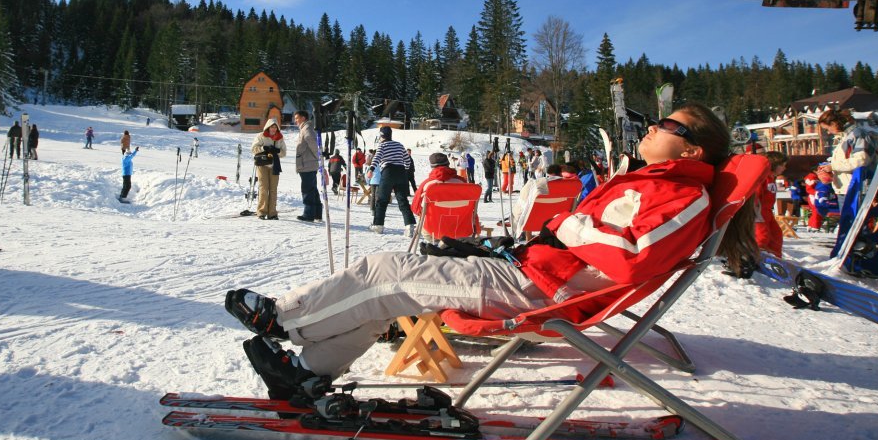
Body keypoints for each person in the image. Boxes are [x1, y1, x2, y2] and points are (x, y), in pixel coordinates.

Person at [224, 103, 755, 397]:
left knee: (387, 271)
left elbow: (635, 254)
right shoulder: (657, 181)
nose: (655, 126)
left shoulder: (684, 195)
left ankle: (283, 320)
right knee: (393, 282)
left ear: (692, 148)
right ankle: (308, 371)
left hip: (543, 290)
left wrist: (569, 228)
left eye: (669, 124)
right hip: (533, 272)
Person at [818, 108, 877, 205]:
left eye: (827, 129)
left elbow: (861, 160)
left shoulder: (856, 135)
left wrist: (833, 167)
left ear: (834, 123)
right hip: (846, 189)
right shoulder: (844, 138)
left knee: (852, 220)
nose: (828, 132)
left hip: (856, 189)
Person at [368, 126, 416, 235]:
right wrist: (405, 170)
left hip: (388, 172)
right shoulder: (399, 145)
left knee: (382, 200)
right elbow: (407, 160)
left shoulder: (382, 146)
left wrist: (371, 169)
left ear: (381, 136)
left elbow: (377, 158)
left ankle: (378, 225)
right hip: (401, 172)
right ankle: (409, 226)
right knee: (402, 200)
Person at [410, 152, 466, 239]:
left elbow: (416, 209)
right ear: (448, 164)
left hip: (432, 230)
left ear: (432, 167)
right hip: (459, 228)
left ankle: (436, 246)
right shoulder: (462, 182)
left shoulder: (427, 184)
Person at [755, 151, 788, 257]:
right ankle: (758, 255)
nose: (784, 168)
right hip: (758, 212)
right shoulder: (763, 177)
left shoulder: (771, 178)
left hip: (767, 211)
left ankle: (775, 256)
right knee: (761, 235)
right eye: (782, 165)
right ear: (774, 164)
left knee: (776, 234)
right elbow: (756, 194)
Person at [252, 119, 286, 220]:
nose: (273, 129)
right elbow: (254, 149)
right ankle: (261, 212)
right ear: (268, 127)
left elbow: (284, 153)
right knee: (263, 188)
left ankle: (272, 213)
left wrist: (277, 151)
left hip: (274, 165)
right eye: (272, 127)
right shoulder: (261, 136)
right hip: (262, 165)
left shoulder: (280, 138)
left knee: (273, 189)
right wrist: (263, 148)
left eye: (275, 127)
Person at [294, 111, 322, 222]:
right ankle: (317, 214)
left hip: (307, 164)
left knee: (307, 189)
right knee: (312, 189)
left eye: (297, 118)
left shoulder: (306, 129)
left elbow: (314, 144)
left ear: (303, 118)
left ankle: (308, 214)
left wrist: (318, 157)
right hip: (308, 164)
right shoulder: (305, 128)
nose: (295, 120)